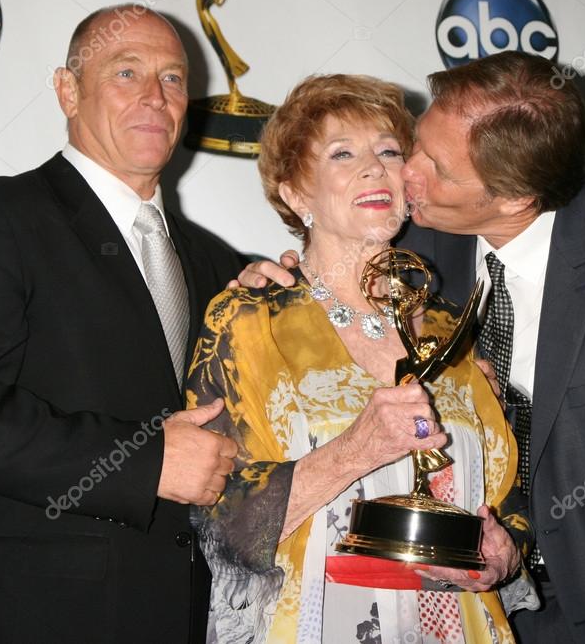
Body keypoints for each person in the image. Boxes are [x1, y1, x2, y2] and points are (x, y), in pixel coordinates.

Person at [241, 52, 585, 643]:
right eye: (414, 144)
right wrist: (284, 284)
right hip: (471, 618)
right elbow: (334, 275)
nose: (403, 173)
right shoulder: (414, 238)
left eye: (433, 166)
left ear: (513, 198)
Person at [0, 5, 243, 643]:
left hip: (194, 617)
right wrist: (146, 463)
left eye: (172, 79)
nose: (154, 96)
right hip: (41, 618)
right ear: (67, 90)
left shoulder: (221, 264)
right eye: (126, 72)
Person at [188, 73, 537, 644]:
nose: (375, 168)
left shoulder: (452, 325)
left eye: (390, 151)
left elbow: (509, 493)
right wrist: (357, 449)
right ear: (295, 192)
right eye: (342, 153)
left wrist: (507, 549)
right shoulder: (250, 320)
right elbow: (222, 518)